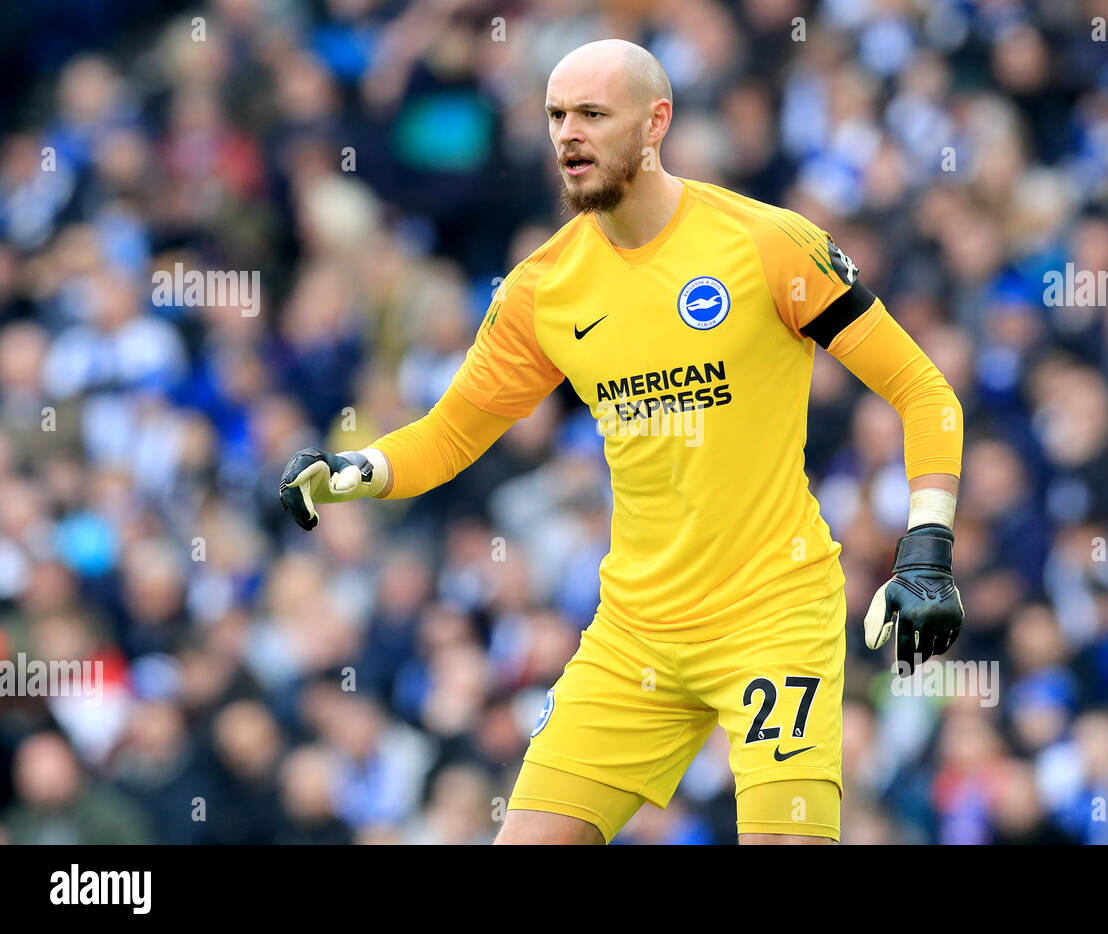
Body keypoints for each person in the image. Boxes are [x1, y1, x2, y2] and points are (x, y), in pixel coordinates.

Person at [279, 39, 965, 844]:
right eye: (556, 116)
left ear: (655, 123)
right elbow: (452, 433)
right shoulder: (542, 287)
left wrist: (925, 551)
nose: (568, 134)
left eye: (593, 115)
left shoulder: (767, 243)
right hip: (634, 629)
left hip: (771, 614)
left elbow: (924, 391)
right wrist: (352, 470)